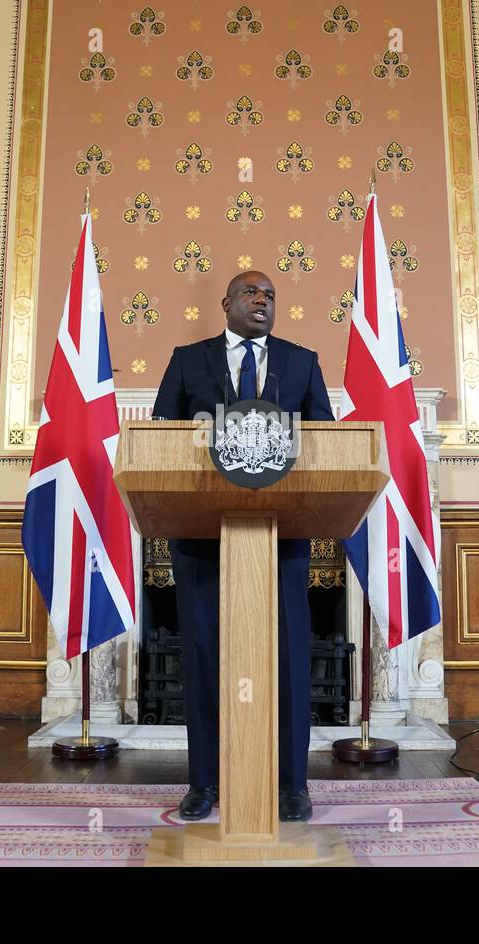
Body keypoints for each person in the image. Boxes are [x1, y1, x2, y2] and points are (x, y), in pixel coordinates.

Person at [152, 271, 334, 822]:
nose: (263, 300)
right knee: (204, 658)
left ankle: (292, 786)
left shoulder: (301, 362)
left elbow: (327, 439)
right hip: (201, 536)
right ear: (227, 302)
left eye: (271, 295)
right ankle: (204, 782)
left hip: (283, 536)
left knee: (288, 661)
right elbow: (160, 433)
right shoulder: (188, 359)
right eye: (252, 293)